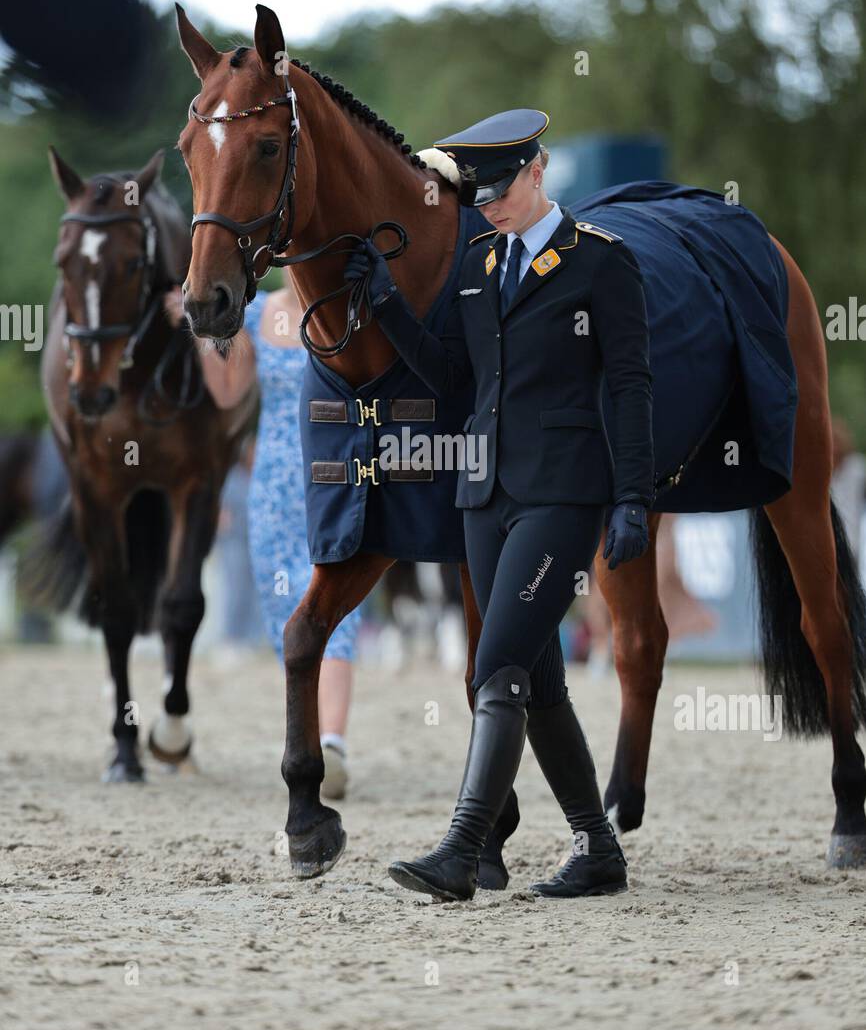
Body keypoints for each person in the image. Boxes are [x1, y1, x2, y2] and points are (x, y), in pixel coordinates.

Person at [344, 109, 654, 900]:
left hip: (562, 492)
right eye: (478, 191)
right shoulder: (479, 263)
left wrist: (633, 497)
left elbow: (629, 385)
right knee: (536, 677)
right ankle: (598, 850)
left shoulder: (600, 264)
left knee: (497, 663)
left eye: (502, 186)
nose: (488, 203)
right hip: (483, 492)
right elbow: (455, 376)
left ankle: (463, 847)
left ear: (539, 169)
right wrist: (385, 306)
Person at [164, 277, 360, 799]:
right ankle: (310, 738)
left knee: (339, 608)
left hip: (339, 473)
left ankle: (333, 742)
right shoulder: (256, 315)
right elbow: (228, 391)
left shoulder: (347, 303)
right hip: (272, 484)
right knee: (284, 614)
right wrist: (205, 328)